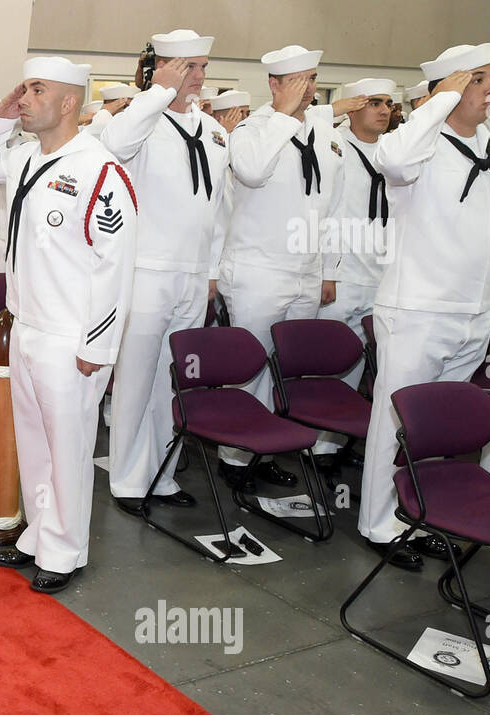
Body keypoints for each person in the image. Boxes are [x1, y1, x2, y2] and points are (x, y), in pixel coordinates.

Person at [360, 43, 490, 569]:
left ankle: (420, 513)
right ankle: (378, 522)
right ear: (451, 89)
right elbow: (390, 158)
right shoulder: (418, 144)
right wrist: (439, 98)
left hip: (472, 314)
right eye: (480, 81)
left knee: (439, 433)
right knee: (395, 422)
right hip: (418, 308)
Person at [0, 56, 137, 593]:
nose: (24, 99)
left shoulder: (100, 169)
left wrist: (100, 344)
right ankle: (38, 534)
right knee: (35, 443)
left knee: (68, 448)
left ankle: (65, 550)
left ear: (70, 103)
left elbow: (116, 266)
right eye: (23, 90)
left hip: (71, 337)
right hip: (26, 326)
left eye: (36, 90)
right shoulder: (23, 158)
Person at [102, 29, 228, 517]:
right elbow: (115, 142)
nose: (198, 78)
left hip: (192, 274)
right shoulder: (141, 119)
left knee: (173, 380)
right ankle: (129, 479)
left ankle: (163, 473)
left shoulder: (213, 131)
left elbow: (218, 210)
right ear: (167, 68)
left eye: (202, 68)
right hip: (147, 270)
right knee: (135, 378)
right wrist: (158, 90)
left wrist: (211, 270)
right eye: (189, 67)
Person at [216, 44, 344, 491]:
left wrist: (327, 269)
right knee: (250, 367)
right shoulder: (252, 130)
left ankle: (264, 447)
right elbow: (250, 171)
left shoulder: (324, 135)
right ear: (274, 84)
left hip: (304, 271)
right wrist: (285, 116)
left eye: (313, 78)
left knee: (283, 369)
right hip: (258, 270)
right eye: (298, 80)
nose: (309, 88)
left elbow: (332, 208)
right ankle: (234, 456)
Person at [312, 78, 397, 470]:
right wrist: (327, 271)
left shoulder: (394, 153)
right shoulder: (335, 146)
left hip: (380, 273)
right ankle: (314, 443)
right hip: (343, 272)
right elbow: (325, 213)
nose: (384, 111)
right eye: (375, 103)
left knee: (358, 364)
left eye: (388, 104)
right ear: (354, 107)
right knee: (328, 363)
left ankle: (334, 445)